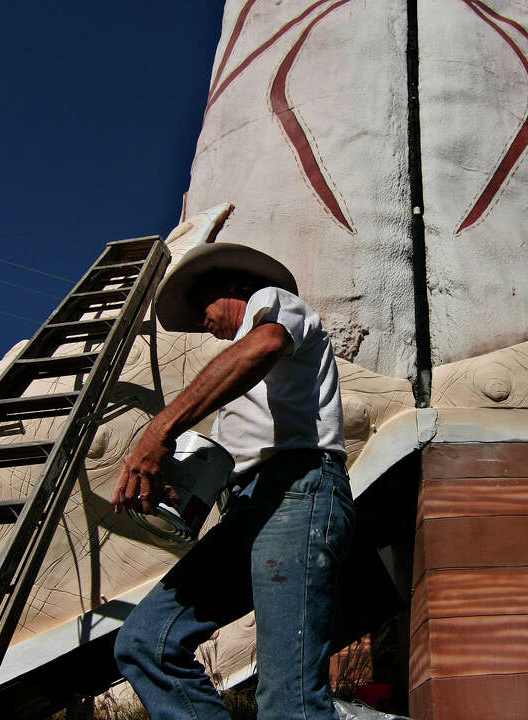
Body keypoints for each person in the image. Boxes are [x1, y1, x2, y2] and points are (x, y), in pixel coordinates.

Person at [112, 241, 354, 720]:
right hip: (248, 505)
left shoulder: (277, 305)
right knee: (147, 643)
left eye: (200, 305)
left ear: (232, 288)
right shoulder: (239, 398)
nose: (201, 321)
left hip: (297, 491)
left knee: (290, 703)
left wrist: (160, 429)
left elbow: (263, 345)